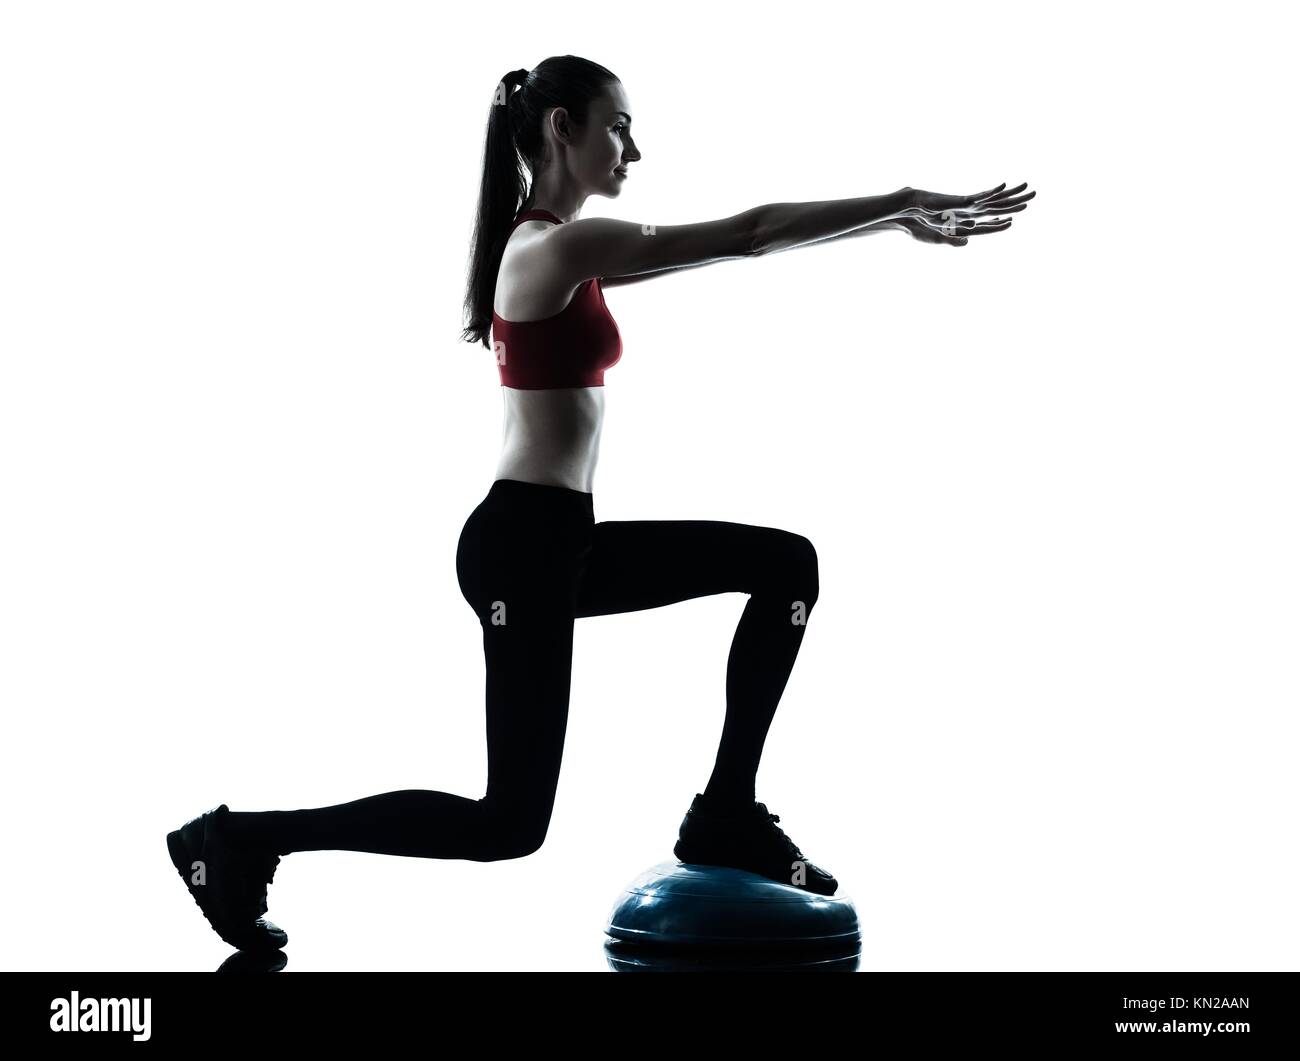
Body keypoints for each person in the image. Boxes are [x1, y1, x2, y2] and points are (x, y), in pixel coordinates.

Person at [167, 54, 1034, 952]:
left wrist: (889, 224)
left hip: (558, 542)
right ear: (561, 130)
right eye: (618, 125)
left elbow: (750, 238)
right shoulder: (551, 248)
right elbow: (749, 234)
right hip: (520, 549)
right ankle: (234, 841)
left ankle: (726, 811)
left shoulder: (562, 253)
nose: (634, 147)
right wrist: (897, 201)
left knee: (785, 565)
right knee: (508, 823)